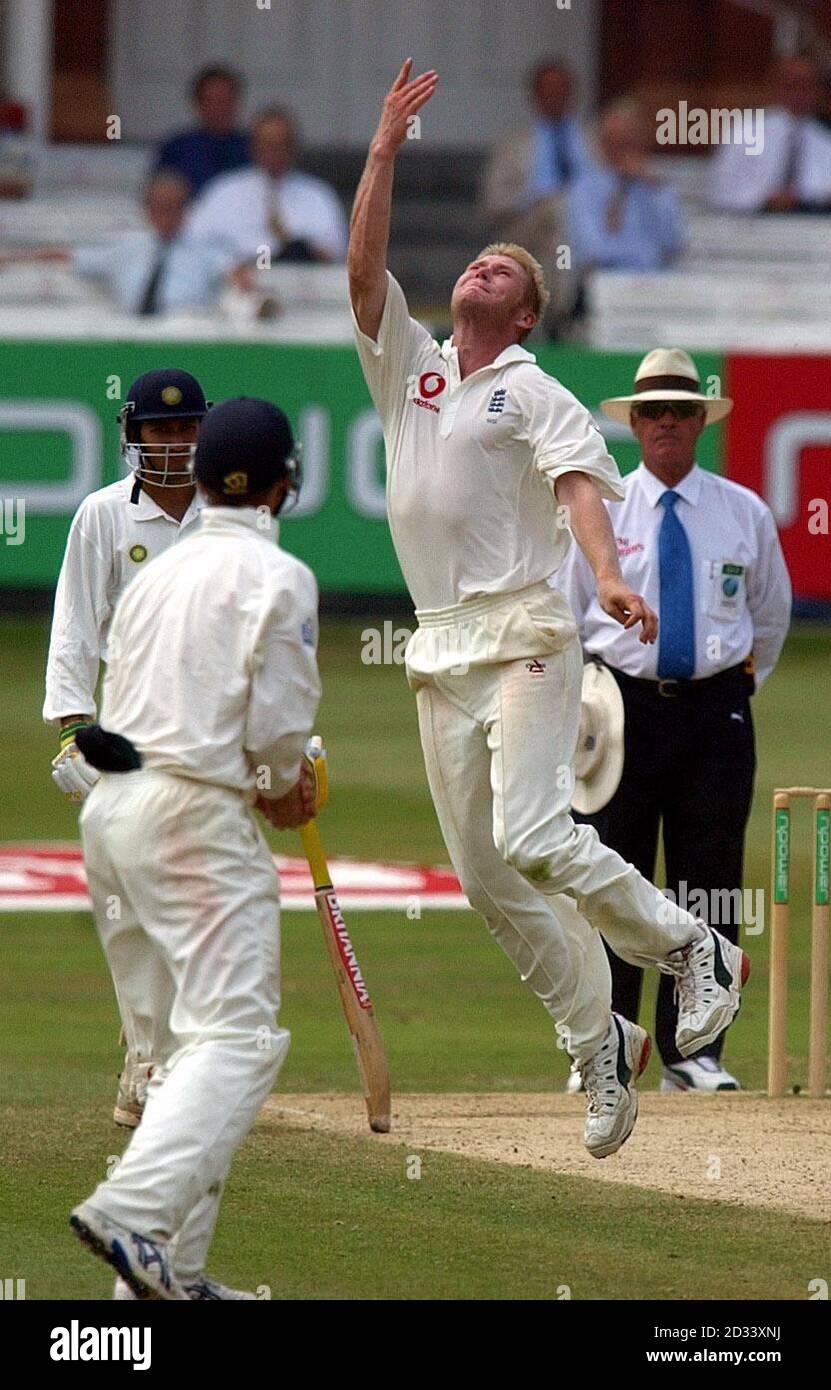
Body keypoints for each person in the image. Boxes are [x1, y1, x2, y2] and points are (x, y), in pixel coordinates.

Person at [348, 60, 749, 1159]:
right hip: (442, 650)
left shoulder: (534, 385)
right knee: (484, 875)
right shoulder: (413, 372)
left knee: (533, 831)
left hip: (528, 629)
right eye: (479, 256)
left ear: (525, 311)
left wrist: (609, 578)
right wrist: (383, 148)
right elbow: (363, 270)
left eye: (507, 270)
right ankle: (600, 1041)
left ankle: (694, 949)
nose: (484, 264)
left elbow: (579, 482)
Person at [69, 396, 320, 1300]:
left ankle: (166, 1276)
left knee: (183, 1053)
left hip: (113, 813)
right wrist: (286, 787)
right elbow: (279, 740)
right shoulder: (280, 576)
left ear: (202, 476)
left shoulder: (155, 578)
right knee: (240, 1037)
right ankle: (131, 1214)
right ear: (285, 485)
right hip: (191, 819)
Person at [555, 349, 791, 1092]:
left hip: (713, 708)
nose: (664, 422)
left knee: (711, 879)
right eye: (651, 410)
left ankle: (694, 1055)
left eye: (678, 410)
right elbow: (564, 614)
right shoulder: (601, 507)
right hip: (615, 706)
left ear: (698, 421)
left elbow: (769, 619)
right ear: (634, 423)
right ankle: (607, 1049)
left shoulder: (741, 512)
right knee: (609, 876)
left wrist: (722, 687)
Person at [46, 368, 210, 1129]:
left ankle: (159, 1050)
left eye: (186, 430)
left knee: (199, 904)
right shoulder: (103, 515)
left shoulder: (234, 515)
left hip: (214, 737)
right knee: (138, 901)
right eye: (160, 431)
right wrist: (74, 726)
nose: (174, 445)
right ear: (133, 435)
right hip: (130, 734)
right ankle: (150, 1062)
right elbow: (77, 622)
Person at [0, 172, 240, 316]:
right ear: (147, 210)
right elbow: (65, 256)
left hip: (187, 334)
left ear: (186, 209)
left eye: (173, 208)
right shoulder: (126, 247)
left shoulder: (207, 249)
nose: (166, 216)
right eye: (159, 208)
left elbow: (237, 273)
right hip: (131, 336)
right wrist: (12, 259)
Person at [479, 59, 590, 328]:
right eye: (548, 91)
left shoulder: (592, 141)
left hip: (587, 230)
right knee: (556, 211)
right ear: (535, 96)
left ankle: (558, 310)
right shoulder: (513, 146)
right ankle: (559, 313)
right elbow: (492, 203)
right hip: (525, 228)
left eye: (561, 90)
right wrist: (531, 198)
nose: (555, 98)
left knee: (568, 214)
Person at [185, 107, 348, 264]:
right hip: (241, 283)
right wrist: (228, 265)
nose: (275, 152)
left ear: (294, 147)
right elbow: (195, 242)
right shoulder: (223, 191)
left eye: (282, 144)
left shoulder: (318, 194)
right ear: (253, 146)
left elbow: (339, 249)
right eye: (268, 144)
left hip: (304, 284)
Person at [567, 100, 685, 274]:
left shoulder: (657, 186)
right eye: (614, 142)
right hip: (605, 284)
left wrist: (654, 191)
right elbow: (592, 251)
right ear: (601, 145)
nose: (622, 151)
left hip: (657, 283)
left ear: (642, 143)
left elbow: (674, 242)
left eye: (628, 142)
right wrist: (643, 255)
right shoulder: (583, 189)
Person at [710, 54, 831, 213]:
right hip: (750, 227)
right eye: (792, 85)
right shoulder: (745, 131)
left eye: (807, 86)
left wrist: (800, 199)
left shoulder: (825, 139)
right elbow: (720, 193)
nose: (799, 93)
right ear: (776, 86)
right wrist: (765, 200)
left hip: (811, 227)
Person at [154, 65, 250, 196]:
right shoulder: (177, 149)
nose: (220, 109)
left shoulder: (253, 149)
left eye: (226, 100)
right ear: (198, 104)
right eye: (213, 101)